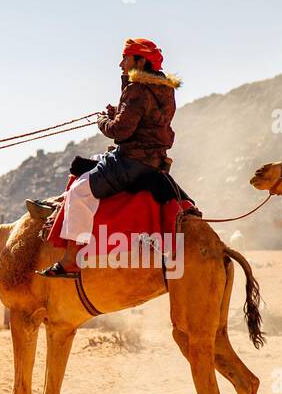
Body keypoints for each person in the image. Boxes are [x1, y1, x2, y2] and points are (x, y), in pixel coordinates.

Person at [36, 38, 180, 278]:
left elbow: (119, 131)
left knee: (80, 192)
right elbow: (143, 120)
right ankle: (61, 203)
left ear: (140, 61)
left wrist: (103, 120)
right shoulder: (164, 90)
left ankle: (71, 259)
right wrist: (119, 113)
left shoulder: (137, 89)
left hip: (133, 160)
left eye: (126, 57)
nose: (121, 63)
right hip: (153, 160)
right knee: (91, 162)